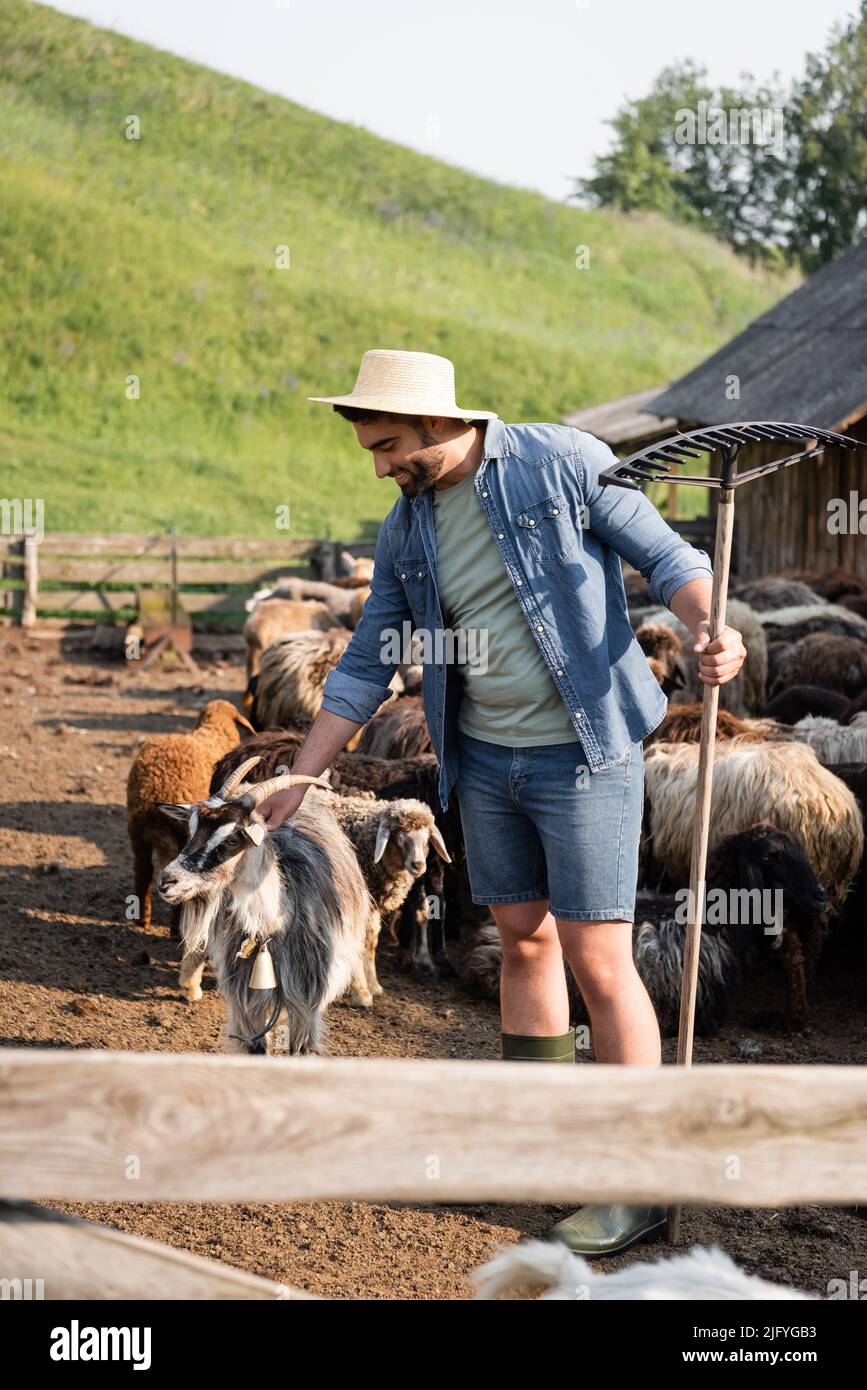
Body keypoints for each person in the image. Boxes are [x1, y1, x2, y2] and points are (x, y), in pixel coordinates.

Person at [257, 349, 746, 1255]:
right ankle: (542, 1133)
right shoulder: (408, 523)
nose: (380, 466)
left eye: (391, 446)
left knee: (599, 959)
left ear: (443, 423)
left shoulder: (564, 461)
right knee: (521, 942)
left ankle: (634, 1180)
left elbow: (669, 556)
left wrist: (712, 626)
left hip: (587, 753)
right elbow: (369, 659)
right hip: (481, 760)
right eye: (370, 450)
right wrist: (301, 772)